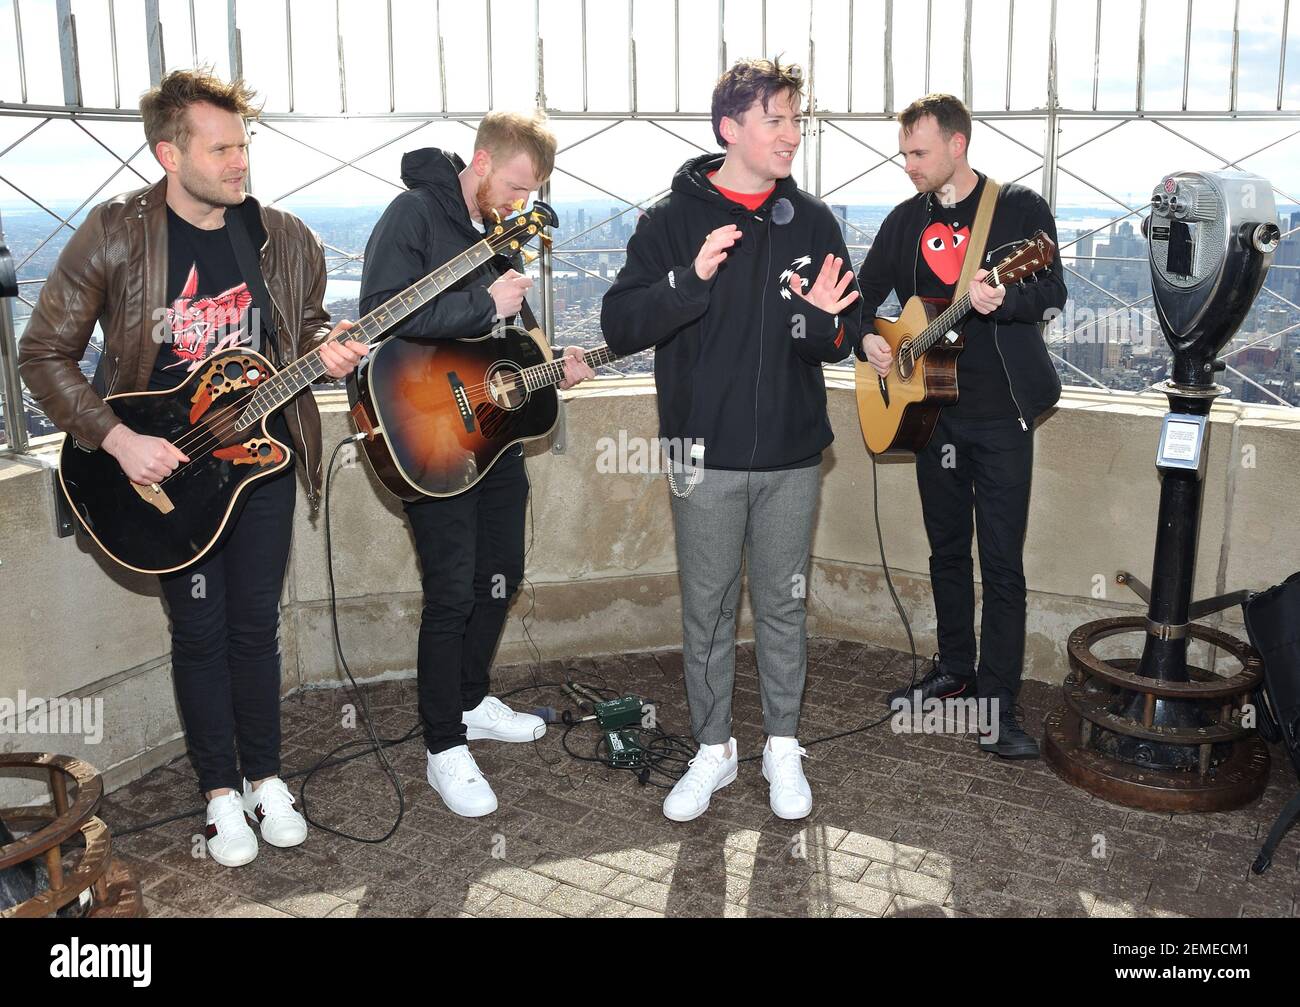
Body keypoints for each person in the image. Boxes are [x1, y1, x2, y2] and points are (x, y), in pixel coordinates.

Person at [18, 69, 368, 866]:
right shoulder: (115, 234)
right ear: (169, 154)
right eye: (222, 148)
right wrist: (114, 437)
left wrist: (329, 353)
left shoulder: (282, 234)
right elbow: (43, 351)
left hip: (262, 462)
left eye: (245, 144)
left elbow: (303, 329)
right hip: (163, 472)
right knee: (201, 630)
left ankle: (265, 776)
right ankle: (219, 794)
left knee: (257, 625)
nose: (241, 161)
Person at [602, 58, 862, 822]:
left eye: (797, 121)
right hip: (700, 454)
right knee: (708, 609)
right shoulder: (670, 219)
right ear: (730, 129)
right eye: (776, 120)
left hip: (791, 454)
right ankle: (714, 751)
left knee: (784, 604)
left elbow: (840, 335)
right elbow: (619, 325)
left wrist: (821, 321)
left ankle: (783, 744)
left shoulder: (812, 220)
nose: (792, 135)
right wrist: (688, 281)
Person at [359, 113, 594, 818]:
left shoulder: (500, 234)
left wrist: (555, 367)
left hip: (492, 432)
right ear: (484, 160)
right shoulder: (414, 214)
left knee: (503, 573)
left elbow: (501, 342)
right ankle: (442, 746)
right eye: (515, 186)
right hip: (428, 433)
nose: (520, 203)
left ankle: (467, 700)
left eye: (531, 194)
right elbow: (378, 318)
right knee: (452, 590)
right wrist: (479, 299)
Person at [856, 93, 1067, 759]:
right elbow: (861, 298)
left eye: (918, 152)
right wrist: (871, 340)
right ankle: (955, 668)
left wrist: (1004, 299)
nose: (908, 164)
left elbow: (1052, 292)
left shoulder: (1020, 212)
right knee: (947, 550)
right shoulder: (903, 221)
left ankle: (998, 706)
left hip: (1001, 415)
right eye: (904, 152)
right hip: (931, 417)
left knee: (1002, 564)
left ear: (957, 145)